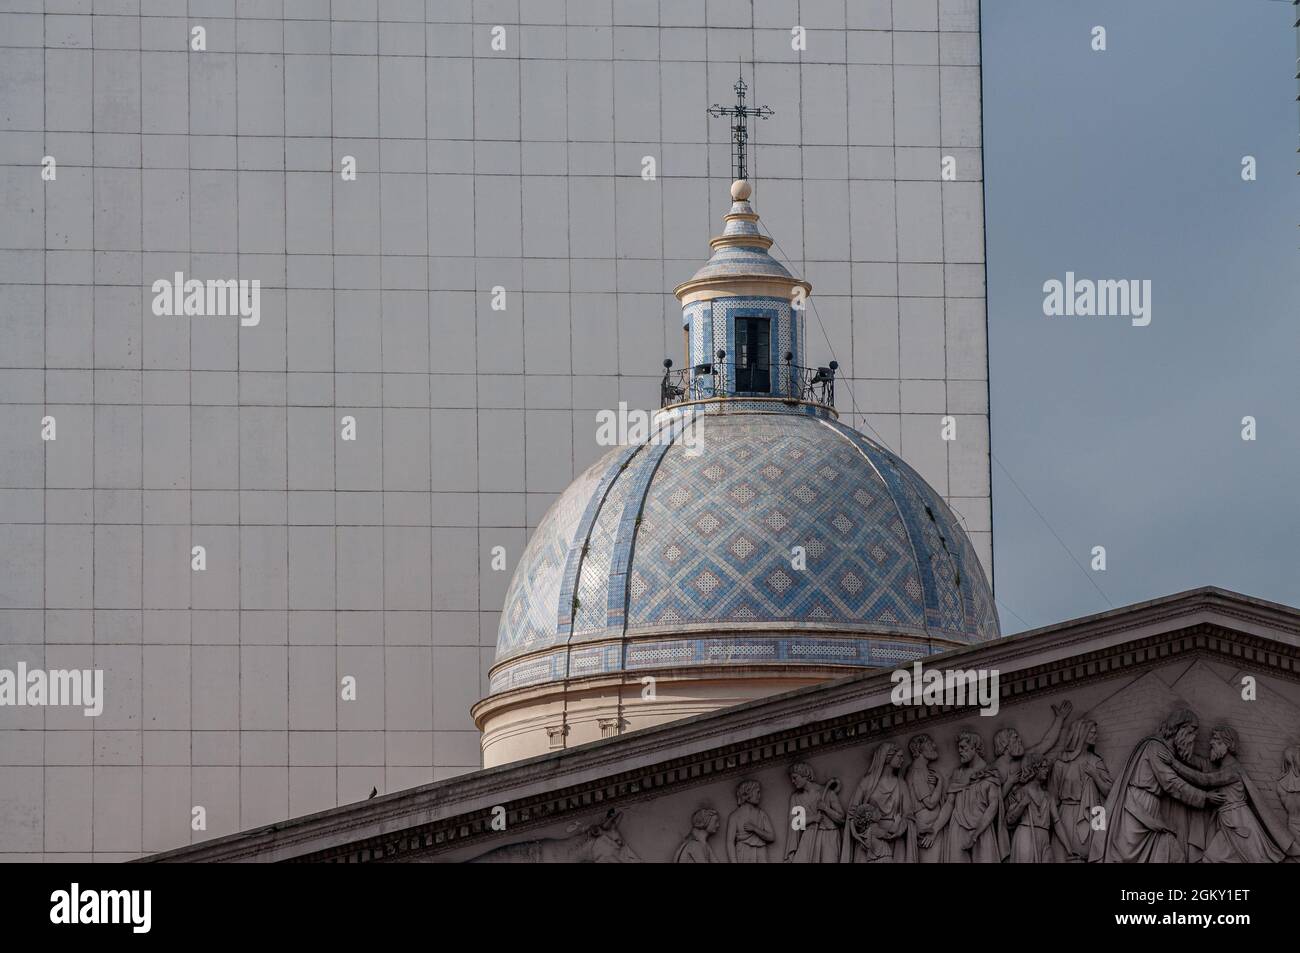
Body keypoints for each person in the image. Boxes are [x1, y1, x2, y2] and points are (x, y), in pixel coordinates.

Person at [1090, 708, 1225, 863]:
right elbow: (1171, 783)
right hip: (1139, 808)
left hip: (1149, 807)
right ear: (1180, 729)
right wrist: (1204, 797)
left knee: (1168, 851)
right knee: (1131, 855)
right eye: (1191, 732)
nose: (1193, 739)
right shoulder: (1155, 747)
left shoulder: (1165, 751)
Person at [1167, 725, 1298, 863]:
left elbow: (1205, 780)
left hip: (1240, 821)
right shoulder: (1220, 767)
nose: (1211, 742)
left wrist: (1174, 764)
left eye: (1216, 739)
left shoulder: (1233, 769)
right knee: (1210, 859)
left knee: (1257, 860)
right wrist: (1179, 745)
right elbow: (1196, 762)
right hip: (1227, 823)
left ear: (1227, 745)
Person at [921, 730, 1009, 863]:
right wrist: (935, 829)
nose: (960, 751)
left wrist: (975, 834)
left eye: (964, 748)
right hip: (958, 828)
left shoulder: (989, 773)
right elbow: (949, 804)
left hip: (982, 828)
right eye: (958, 748)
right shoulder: (958, 774)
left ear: (975, 748)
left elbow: (993, 806)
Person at [841, 742, 916, 863]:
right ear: (888, 757)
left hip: (896, 839)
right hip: (871, 843)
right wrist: (860, 836)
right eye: (899, 756)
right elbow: (852, 813)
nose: (903, 759)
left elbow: (908, 814)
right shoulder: (867, 782)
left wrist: (899, 830)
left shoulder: (901, 784)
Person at [1049, 718, 1112, 862]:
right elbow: (1052, 798)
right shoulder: (1061, 763)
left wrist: (1095, 776)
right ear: (1081, 734)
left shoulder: (1096, 762)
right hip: (1065, 816)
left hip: (1094, 814)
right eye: (1092, 733)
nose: (1096, 736)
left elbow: (1109, 792)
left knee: (1095, 854)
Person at [784, 762, 844, 863]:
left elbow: (841, 818)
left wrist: (825, 808)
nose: (793, 781)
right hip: (809, 835)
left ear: (805, 775)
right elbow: (794, 822)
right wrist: (813, 818)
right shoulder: (796, 798)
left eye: (795, 777)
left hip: (829, 835)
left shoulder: (827, 792)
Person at [1007, 754, 1059, 863]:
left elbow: (1057, 822)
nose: (1047, 770)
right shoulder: (1020, 792)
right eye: (1043, 767)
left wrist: (1068, 848)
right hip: (1026, 836)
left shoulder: (1048, 796)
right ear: (1034, 769)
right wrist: (1022, 804)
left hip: (1044, 839)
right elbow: (1009, 819)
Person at [726, 779, 775, 863]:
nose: (760, 796)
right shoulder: (734, 816)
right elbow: (730, 843)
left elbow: (771, 837)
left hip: (760, 851)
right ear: (748, 794)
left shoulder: (761, 814)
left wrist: (755, 829)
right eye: (757, 792)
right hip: (744, 852)